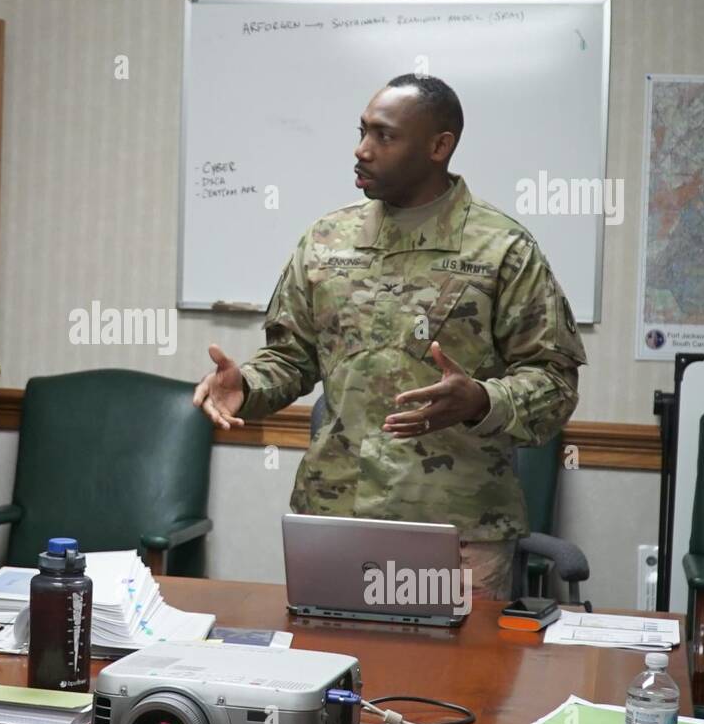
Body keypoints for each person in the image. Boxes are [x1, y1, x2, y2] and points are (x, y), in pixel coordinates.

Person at [193, 74, 586, 600]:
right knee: (331, 675)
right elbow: (292, 357)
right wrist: (248, 383)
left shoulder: (502, 250)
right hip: (336, 519)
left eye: (384, 136)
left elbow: (554, 382)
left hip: (456, 532)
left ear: (439, 146)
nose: (362, 150)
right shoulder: (325, 241)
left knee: (451, 684)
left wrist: (480, 399)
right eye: (362, 132)